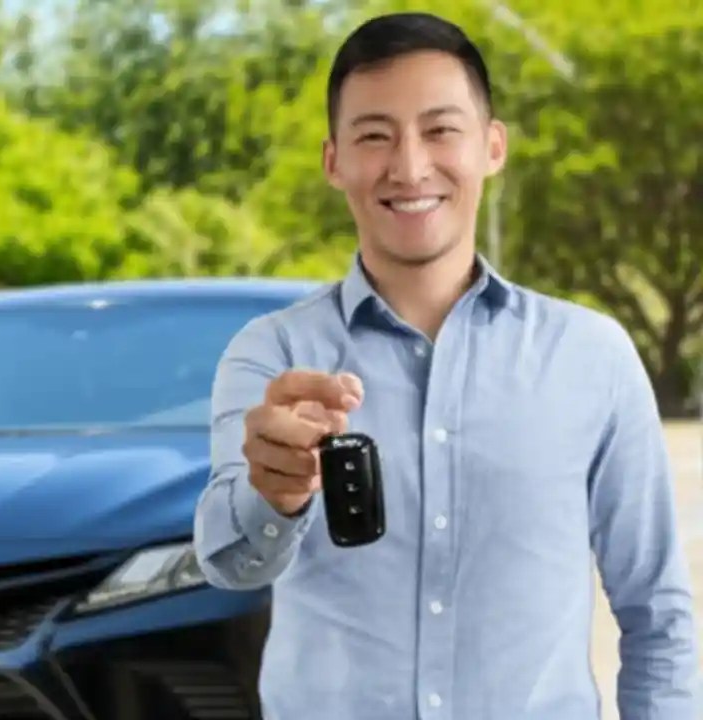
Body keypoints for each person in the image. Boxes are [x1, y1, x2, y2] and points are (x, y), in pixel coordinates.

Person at [193, 11, 699, 720]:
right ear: (334, 160)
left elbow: (658, 614)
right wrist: (274, 497)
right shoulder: (273, 356)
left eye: (440, 130)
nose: (409, 166)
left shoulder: (593, 358)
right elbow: (228, 563)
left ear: (492, 146)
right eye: (374, 136)